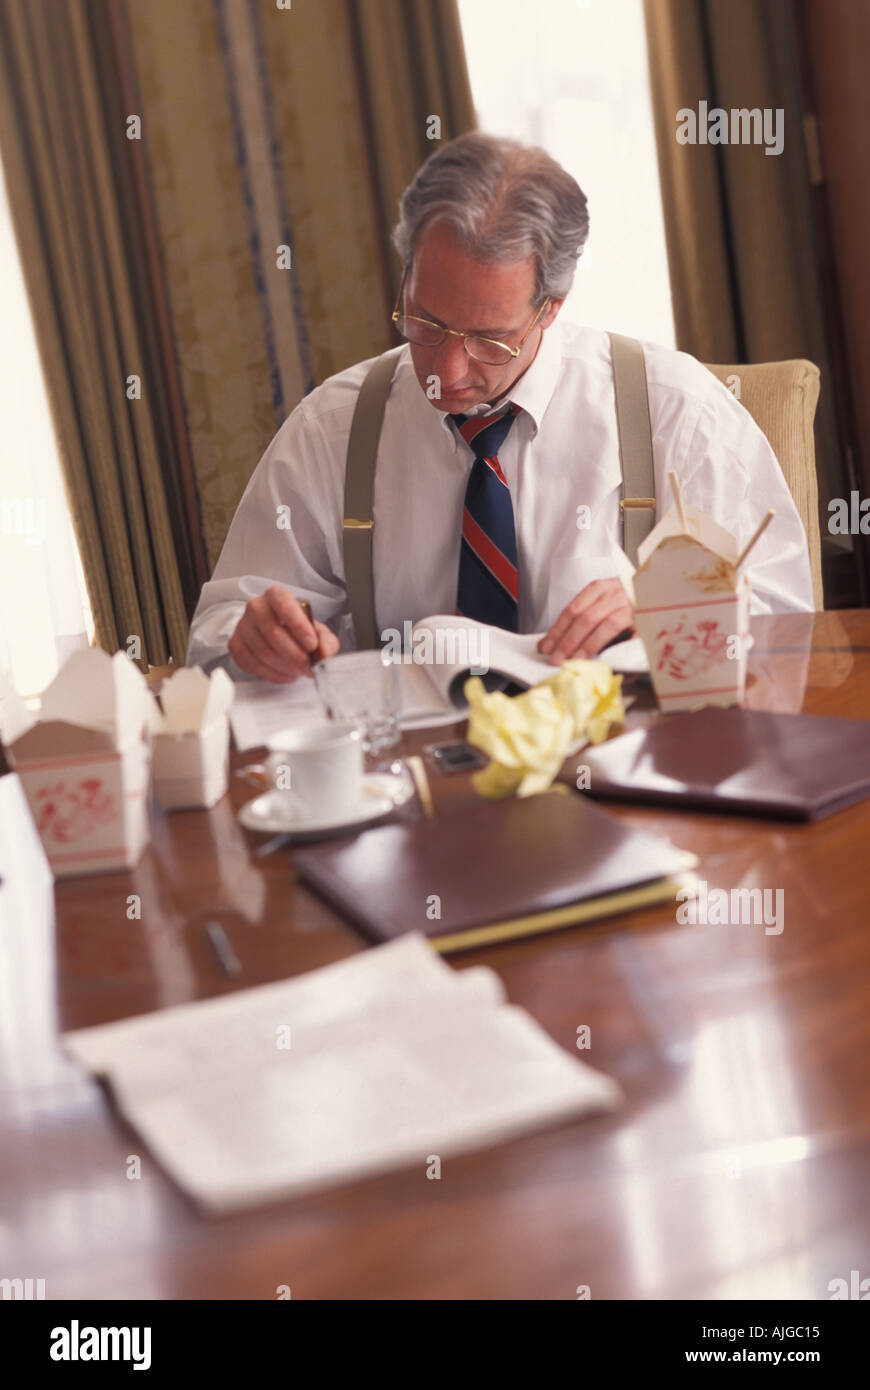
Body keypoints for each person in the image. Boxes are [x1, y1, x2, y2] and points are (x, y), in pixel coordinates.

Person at [186, 133, 814, 684]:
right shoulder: (334, 430)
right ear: (407, 275)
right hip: (411, 791)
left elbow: (790, 630)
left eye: (488, 339)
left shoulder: (675, 411)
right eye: (426, 322)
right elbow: (216, 634)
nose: (447, 371)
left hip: (629, 783)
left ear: (553, 307)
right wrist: (252, 639)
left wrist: (675, 609)